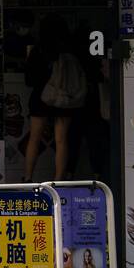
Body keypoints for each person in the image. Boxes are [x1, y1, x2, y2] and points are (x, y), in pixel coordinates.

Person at [23, 15, 82, 181]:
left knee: (34, 138)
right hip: (65, 99)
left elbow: (29, 80)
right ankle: (59, 179)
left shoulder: (39, 50)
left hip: (41, 98)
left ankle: (28, 177)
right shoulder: (70, 50)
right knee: (62, 140)